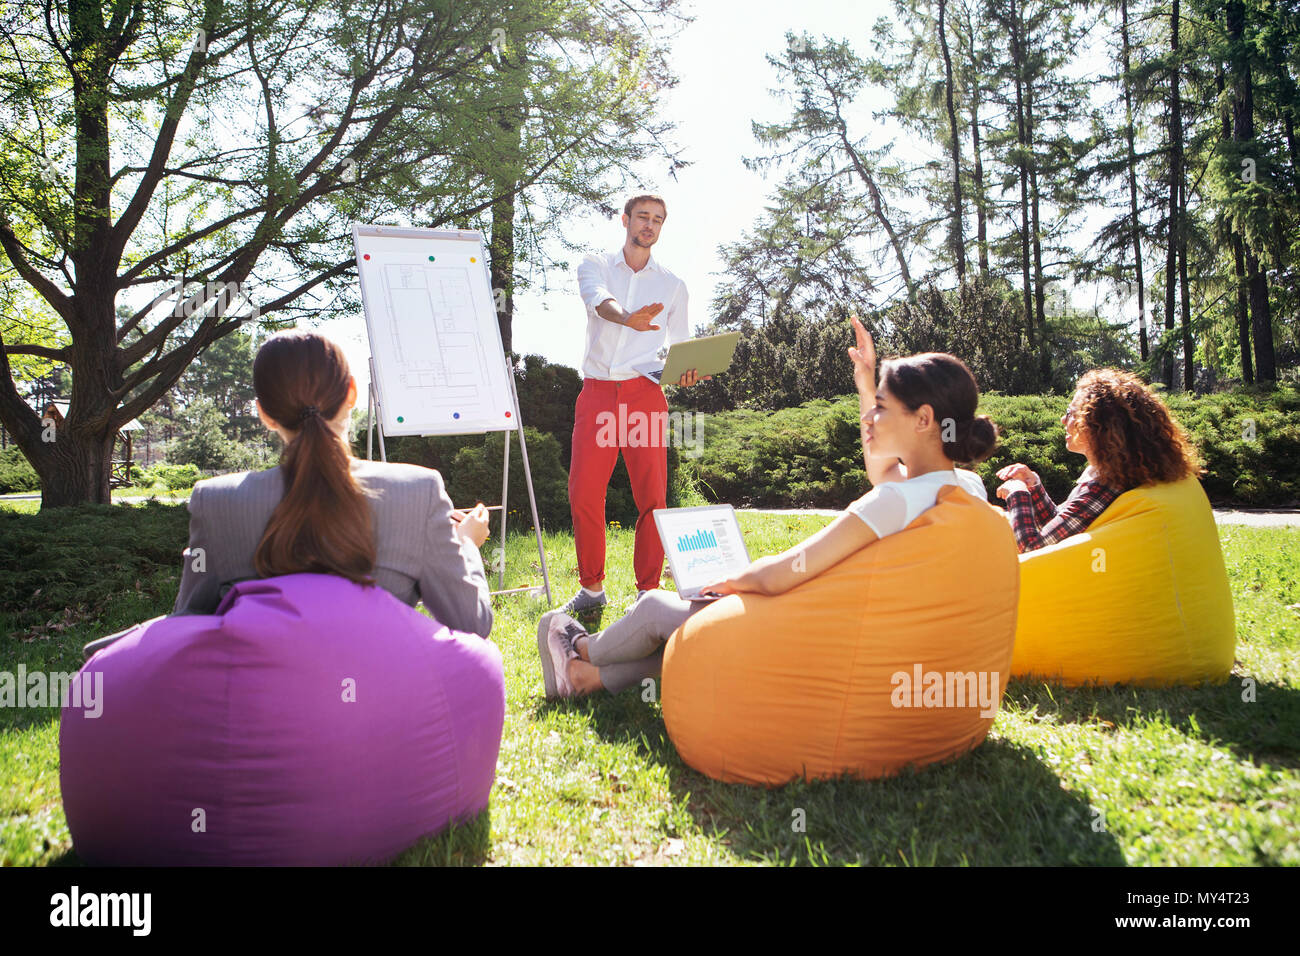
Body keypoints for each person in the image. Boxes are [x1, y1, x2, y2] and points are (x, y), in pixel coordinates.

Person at [536, 316, 1000, 699]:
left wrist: (733, 582)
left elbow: (786, 573)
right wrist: (866, 382)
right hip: (888, 646)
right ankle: (585, 679)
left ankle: (577, 647)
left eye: (881, 408)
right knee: (693, 631)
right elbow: (882, 469)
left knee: (661, 606)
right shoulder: (965, 490)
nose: (870, 419)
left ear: (923, 420)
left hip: (815, 639)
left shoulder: (895, 500)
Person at [170, 329, 494, 636]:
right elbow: (471, 624)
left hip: (258, 695)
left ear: (264, 414)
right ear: (351, 392)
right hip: (383, 694)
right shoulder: (419, 491)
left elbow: (187, 625)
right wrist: (465, 543)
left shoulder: (215, 502)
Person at [562, 193, 710, 616]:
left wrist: (688, 369)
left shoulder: (674, 285)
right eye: (642, 217)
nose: (649, 225)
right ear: (625, 220)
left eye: (658, 220)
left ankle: (648, 590)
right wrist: (629, 317)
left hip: (646, 395)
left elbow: (681, 347)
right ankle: (592, 588)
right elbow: (599, 301)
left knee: (653, 496)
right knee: (584, 492)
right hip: (599, 393)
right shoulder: (596, 265)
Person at [995, 367, 1201, 553]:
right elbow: (1066, 528)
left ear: (1096, 426)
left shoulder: (1104, 487)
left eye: (1070, 413)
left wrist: (1018, 494)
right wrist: (1033, 487)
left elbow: (1033, 548)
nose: (1063, 420)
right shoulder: (1121, 476)